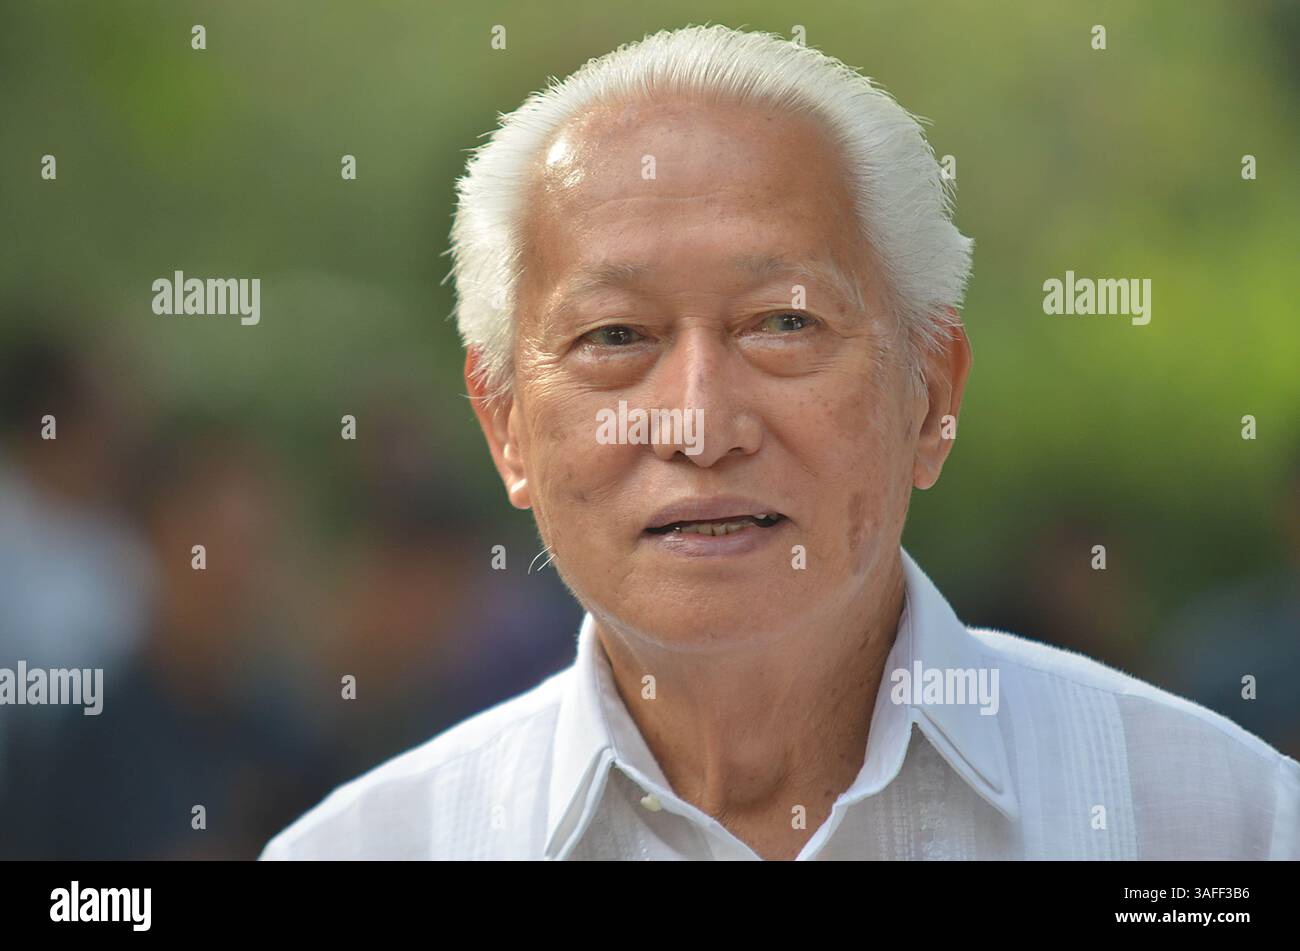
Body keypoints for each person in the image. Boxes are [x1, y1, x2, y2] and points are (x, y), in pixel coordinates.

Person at [260, 24, 1299, 860]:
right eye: (615, 337)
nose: (701, 427)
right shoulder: (368, 848)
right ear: (505, 430)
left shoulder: (1219, 824)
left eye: (783, 323)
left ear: (929, 397)